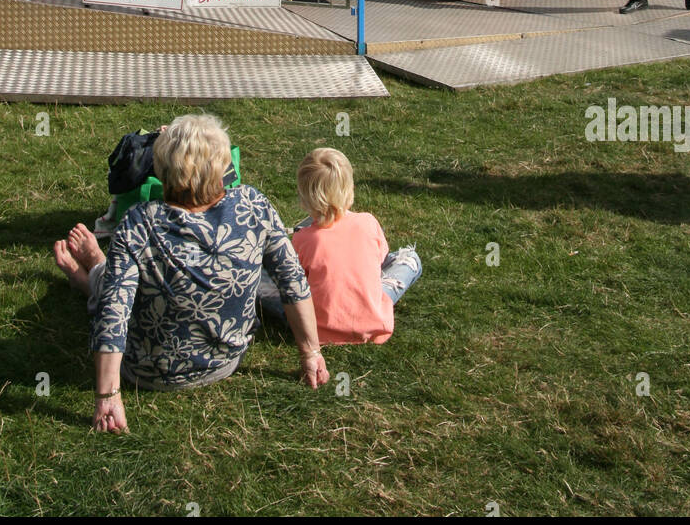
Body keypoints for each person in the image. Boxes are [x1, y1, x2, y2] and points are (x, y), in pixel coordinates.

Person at [53, 114, 329, 432]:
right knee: (126, 278)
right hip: (225, 361)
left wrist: (108, 397)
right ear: (223, 166)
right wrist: (311, 353)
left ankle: (92, 273)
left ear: (160, 168)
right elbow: (292, 282)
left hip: (145, 371)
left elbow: (113, 314)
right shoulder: (254, 206)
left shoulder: (139, 222)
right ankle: (95, 270)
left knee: (114, 283)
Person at [259, 148, 421, 344]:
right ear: (350, 188)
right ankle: (371, 303)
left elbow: (295, 282)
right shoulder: (368, 222)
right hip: (372, 325)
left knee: (261, 278)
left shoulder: (303, 239)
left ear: (304, 196)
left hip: (316, 328)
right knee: (409, 258)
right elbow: (381, 260)